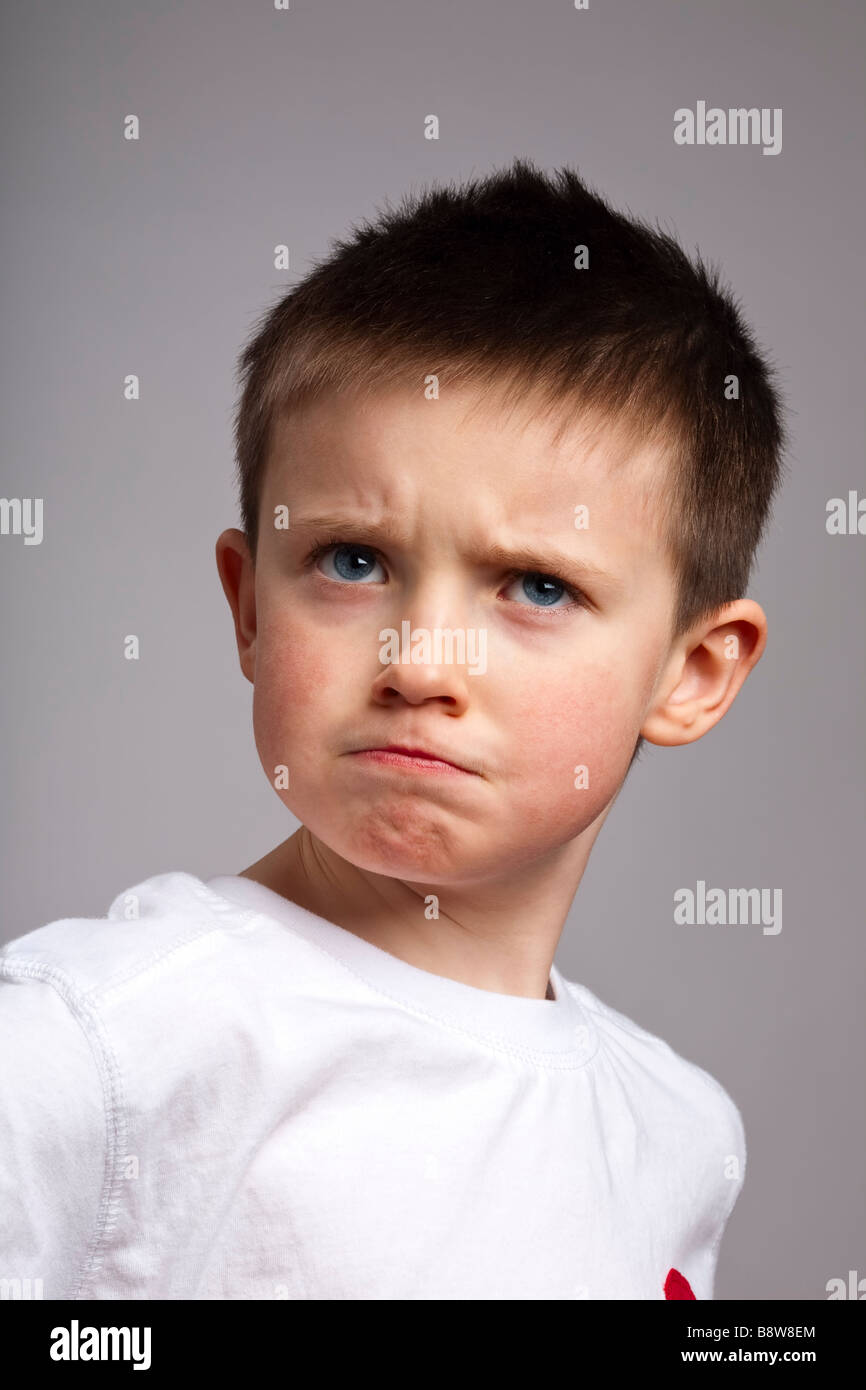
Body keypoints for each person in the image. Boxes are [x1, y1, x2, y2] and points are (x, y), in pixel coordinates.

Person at [0, 158, 785, 1300]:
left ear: (692, 673)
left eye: (535, 587)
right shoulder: (90, 1050)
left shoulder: (674, 1132)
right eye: (353, 561)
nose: (422, 663)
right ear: (251, 607)